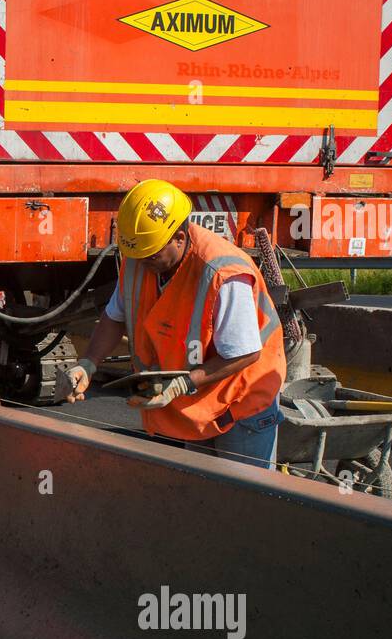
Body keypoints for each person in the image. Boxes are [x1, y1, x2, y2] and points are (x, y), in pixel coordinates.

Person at [60, 179, 287, 469]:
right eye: (137, 256)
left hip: (242, 403)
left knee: (246, 503)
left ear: (179, 238)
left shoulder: (222, 273)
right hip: (200, 404)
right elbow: (115, 315)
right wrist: (88, 363)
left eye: (151, 256)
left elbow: (245, 353)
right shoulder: (141, 257)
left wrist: (182, 384)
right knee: (202, 500)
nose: (143, 264)